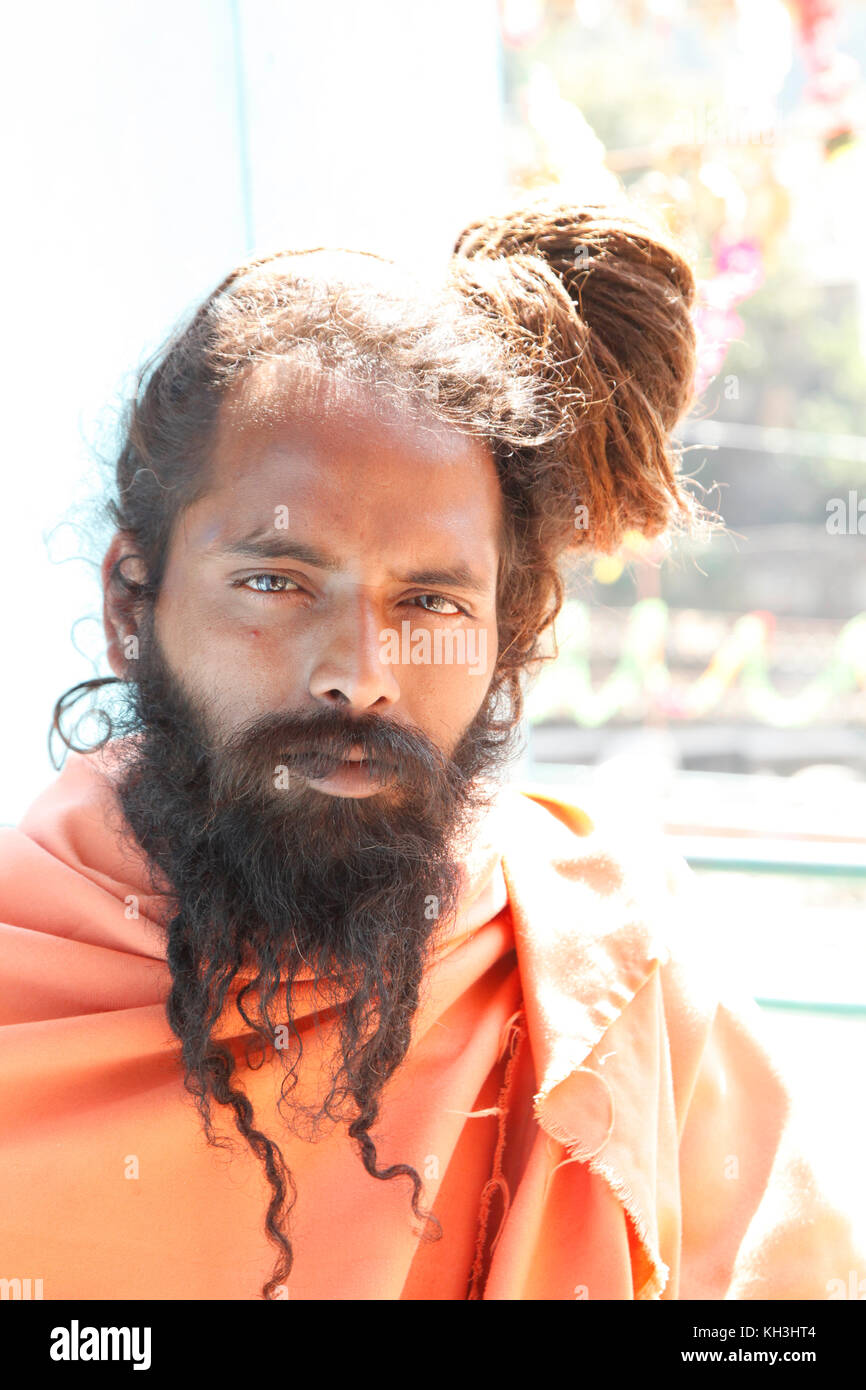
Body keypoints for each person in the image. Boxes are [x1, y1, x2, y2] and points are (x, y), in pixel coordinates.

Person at [0, 196, 862, 1301]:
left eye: (430, 599)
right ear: (134, 602)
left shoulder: (611, 977)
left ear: (508, 634)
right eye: (275, 581)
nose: (357, 672)